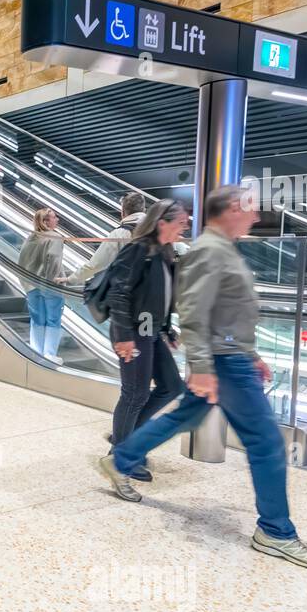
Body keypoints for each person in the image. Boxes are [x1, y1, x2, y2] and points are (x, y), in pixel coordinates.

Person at [97, 186, 307, 570]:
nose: (256, 217)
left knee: (182, 413)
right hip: (218, 360)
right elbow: (187, 310)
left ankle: (122, 458)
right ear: (228, 210)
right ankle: (276, 532)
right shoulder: (201, 251)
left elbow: (220, 311)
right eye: (249, 209)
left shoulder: (200, 250)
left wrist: (248, 352)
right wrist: (202, 365)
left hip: (224, 354)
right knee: (265, 444)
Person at [104, 199, 189, 479]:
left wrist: (166, 329)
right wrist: (124, 336)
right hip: (133, 331)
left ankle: (128, 442)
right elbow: (118, 294)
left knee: (172, 386)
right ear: (162, 222)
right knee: (135, 394)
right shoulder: (137, 249)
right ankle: (120, 456)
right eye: (180, 221)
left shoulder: (164, 251)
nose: (185, 225)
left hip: (151, 331)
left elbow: (159, 296)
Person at [17, 208, 67, 362]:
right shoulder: (55, 237)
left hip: (32, 285)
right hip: (50, 286)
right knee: (53, 320)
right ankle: (50, 354)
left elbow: (21, 262)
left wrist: (26, 284)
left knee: (37, 319)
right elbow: (53, 261)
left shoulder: (31, 238)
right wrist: (53, 282)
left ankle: (36, 352)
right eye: (54, 217)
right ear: (46, 221)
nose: (57, 219)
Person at [70, 192, 147, 285]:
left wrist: (71, 279)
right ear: (144, 210)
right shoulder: (158, 230)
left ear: (122, 212)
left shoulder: (119, 234)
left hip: (128, 290)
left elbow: (96, 265)